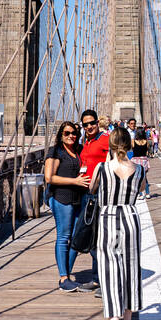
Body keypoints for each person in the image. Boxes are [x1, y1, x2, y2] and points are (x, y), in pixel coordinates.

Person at [93, 126, 145, 320]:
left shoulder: (102, 167)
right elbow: (140, 190)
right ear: (130, 145)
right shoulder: (140, 169)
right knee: (131, 272)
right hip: (131, 219)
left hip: (108, 219)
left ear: (111, 145)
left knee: (110, 275)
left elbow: (93, 188)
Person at [44, 121, 90, 292]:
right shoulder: (56, 151)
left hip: (77, 198)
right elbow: (49, 178)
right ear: (61, 134)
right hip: (61, 198)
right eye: (67, 133)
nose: (72, 136)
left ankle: (68, 276)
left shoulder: (77, 150)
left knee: (76, 238)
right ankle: (64, 278)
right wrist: (75, 181)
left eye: (75, 133)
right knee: (64, 236)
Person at [75, 109, 110, 293]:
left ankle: (102, 280)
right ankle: (98, 279)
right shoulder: (85, 142)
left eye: (92, 123)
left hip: (100, 194)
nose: (89, 126)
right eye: (85, 124)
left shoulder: (106, 139)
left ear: (98, 122)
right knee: (90, 236)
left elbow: (119, 157)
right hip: (86, 194)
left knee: (98, 238)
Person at [130, 126, 151, 199]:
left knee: (137, 178)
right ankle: (148, 193)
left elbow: (131, 148)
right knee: (145, 178)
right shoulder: (147, 142)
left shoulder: (133, 141)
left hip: (136, 161)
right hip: (144, 161)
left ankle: (141, 194)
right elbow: (148, 150)